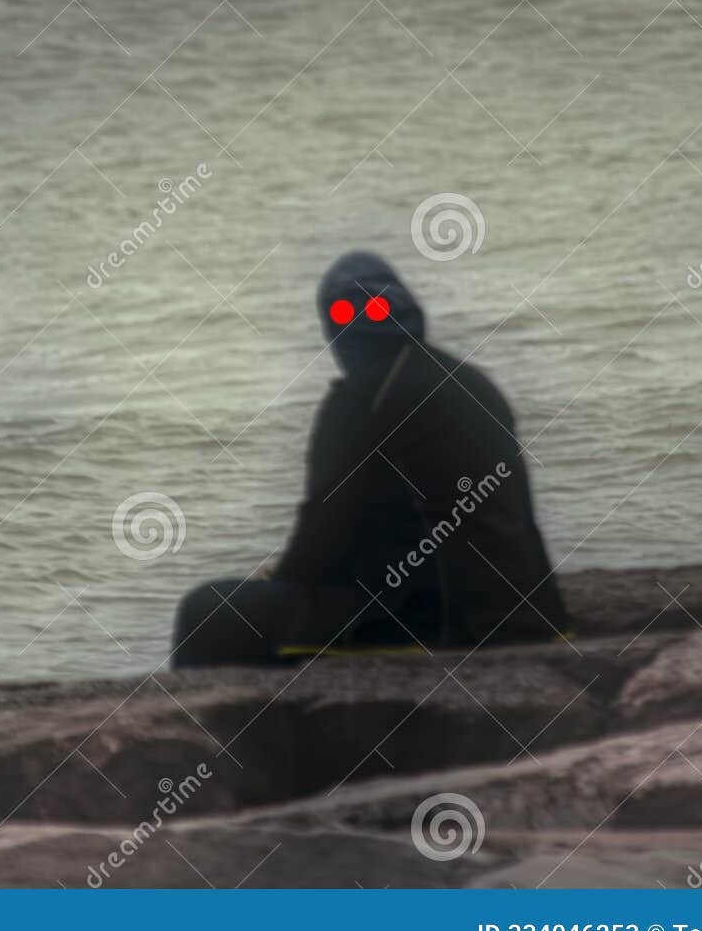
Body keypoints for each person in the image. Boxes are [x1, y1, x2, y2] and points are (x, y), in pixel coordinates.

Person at [171, 251, 570, 667]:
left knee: (209, 612)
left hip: (441, 622)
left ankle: (205, 729)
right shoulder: (470, 380)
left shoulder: (363, 399)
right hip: (529, 611)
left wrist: (282, 581)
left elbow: (324, 529)